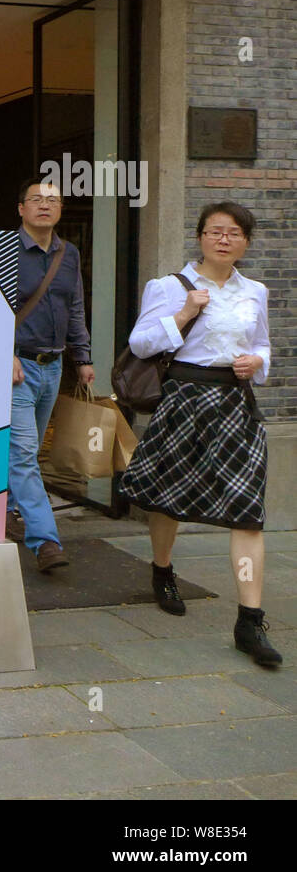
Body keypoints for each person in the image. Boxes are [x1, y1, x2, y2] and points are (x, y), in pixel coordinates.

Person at [119, 202, 280, 667]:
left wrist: (258, 362)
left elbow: (263, 344)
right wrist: (184, 314)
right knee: (168, 497)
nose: (224, 239)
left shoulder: (255, 291)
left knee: (247, 511)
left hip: (235, 403)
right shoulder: (170, 286)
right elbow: (140, 343)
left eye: (234, 233)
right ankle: (162, 570)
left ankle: (250, 620)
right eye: (215, 231)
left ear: (245, 242)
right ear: (200, 237)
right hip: (184, 399)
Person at [9, 179, 95, 571]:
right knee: (25, 452)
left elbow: (74, 306)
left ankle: (6, 510)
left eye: (53, 200)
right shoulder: (5, 249)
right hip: (17, 368)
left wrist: (83, 357)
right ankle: (44, 539)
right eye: (36, 199)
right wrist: (5, 353)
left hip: (54, 366)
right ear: (21, 208)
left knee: (26, 449)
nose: (44, 205)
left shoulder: (68, 253)